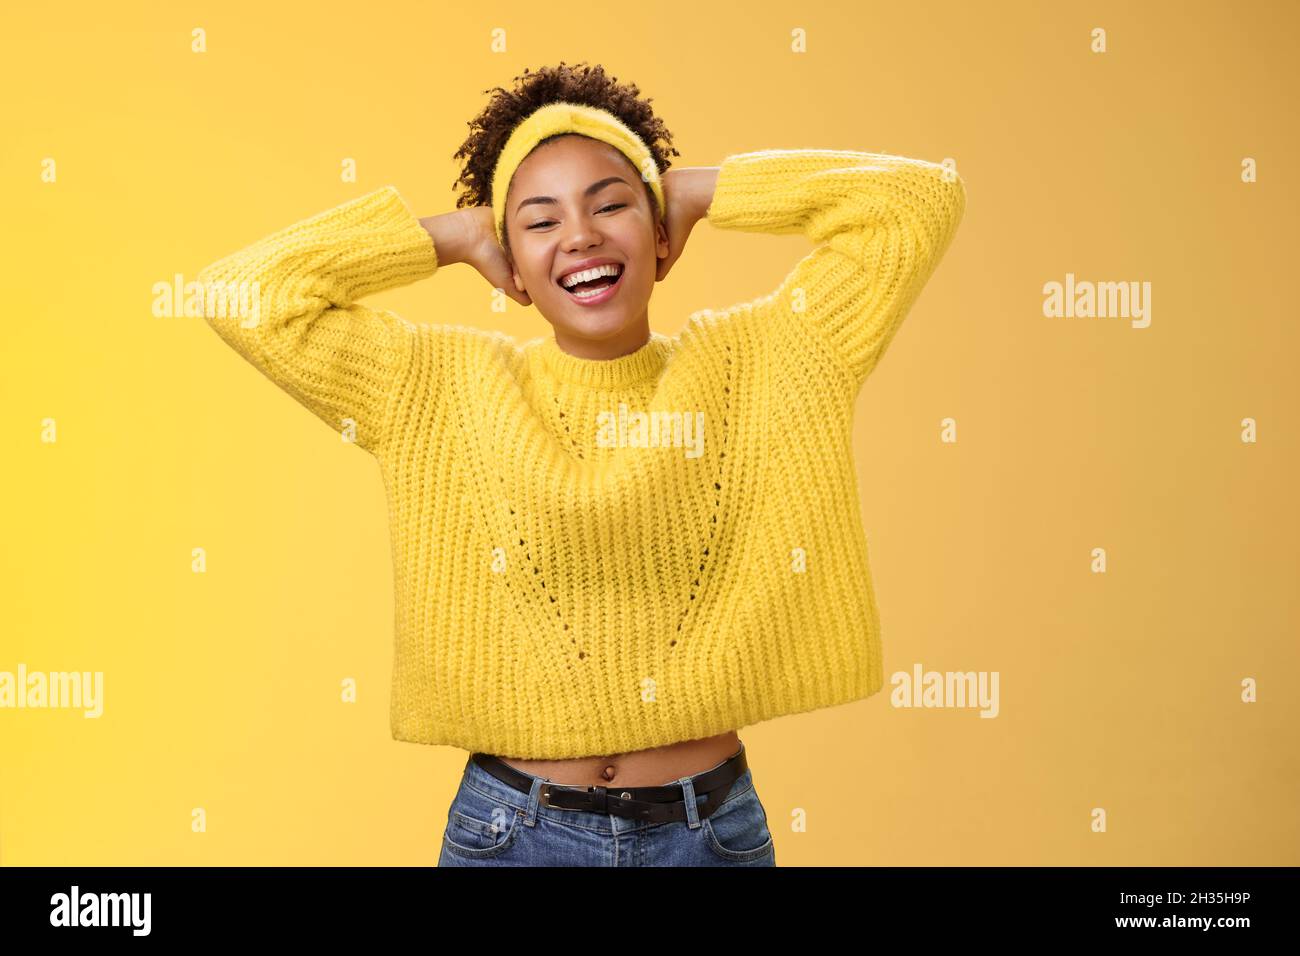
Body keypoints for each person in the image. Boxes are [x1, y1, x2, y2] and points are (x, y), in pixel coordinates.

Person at [195, 61, 966, 867]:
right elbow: (242, 294)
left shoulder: (771, 358)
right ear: (512, 266)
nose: (581, 235)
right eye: (538, 222)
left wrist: (703, 190)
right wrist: (451, 237)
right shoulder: (435, 386)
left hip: (707, 836)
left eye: (612, 204)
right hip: (512, 833)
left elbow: (918, 205)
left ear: (660, 233)